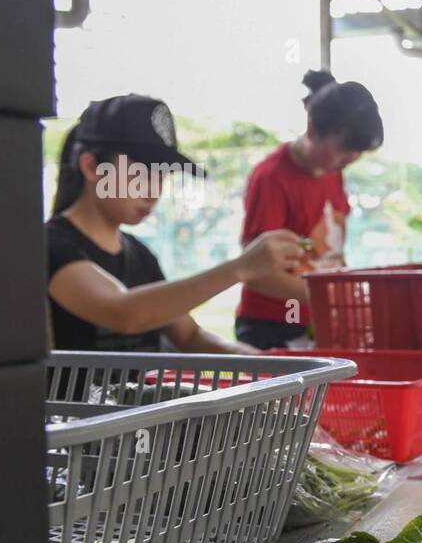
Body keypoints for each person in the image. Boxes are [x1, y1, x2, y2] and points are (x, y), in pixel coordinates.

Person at [46, 95, 304, 354]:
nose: (153, 191)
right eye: (143, 173)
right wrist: (240, 269)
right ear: (92, 166)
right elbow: (125, 313)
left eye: (163, 175)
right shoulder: (51, 246)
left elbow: (190, 337)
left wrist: (264, 362)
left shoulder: (140, 255)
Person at [236, 81, 383, 349]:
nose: (350, 159)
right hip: (271, 325)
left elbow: (332, 251)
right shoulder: (272, 177)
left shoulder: (334, 173)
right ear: (313, 128)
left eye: (358, 153)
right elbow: (254, 272)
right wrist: (330, 296)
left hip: (320, 319)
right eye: (344, 149)